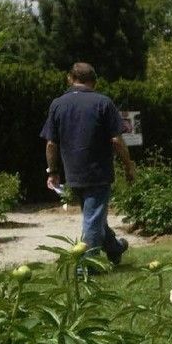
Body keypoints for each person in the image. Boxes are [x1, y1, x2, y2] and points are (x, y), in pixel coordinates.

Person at [40, 62, 136, 266]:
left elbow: (51, 144)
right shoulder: (103, 102)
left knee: (94, 216)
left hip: (73, 173)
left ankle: (114, 248)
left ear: (69, 78)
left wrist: (53, 171)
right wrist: (128, 166)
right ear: (95, 81)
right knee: (93, 218)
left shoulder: (57, 104)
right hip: (98, 172)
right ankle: (88, 266)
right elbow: (117, 140)